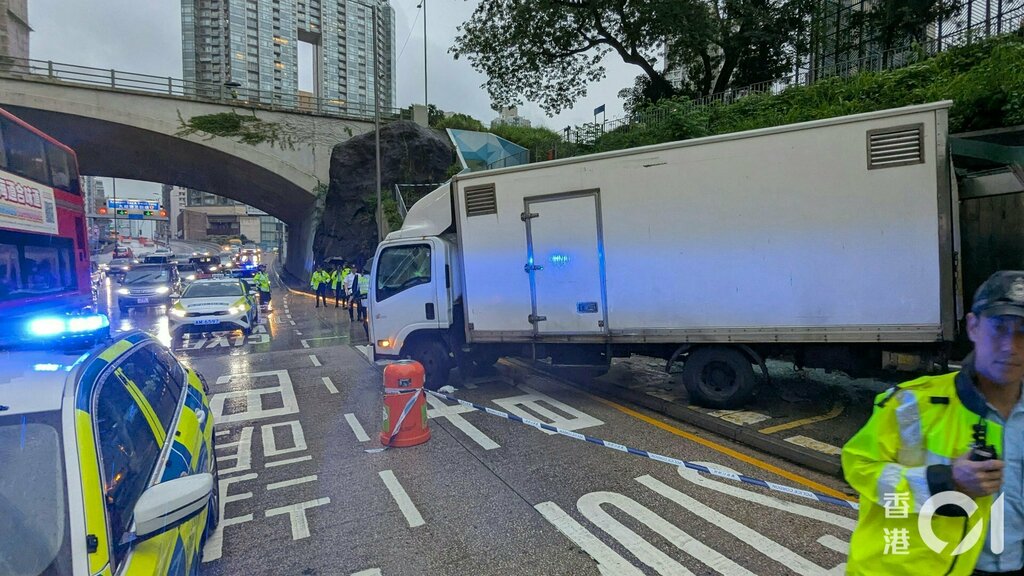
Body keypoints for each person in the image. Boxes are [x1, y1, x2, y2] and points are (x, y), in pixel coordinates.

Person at [843, 270, 1024, 576]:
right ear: (973, 327)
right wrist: (945, 481)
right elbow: (857, 466)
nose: (1011, 345)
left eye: (1023, 331)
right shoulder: (912, 404)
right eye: (999, 327)